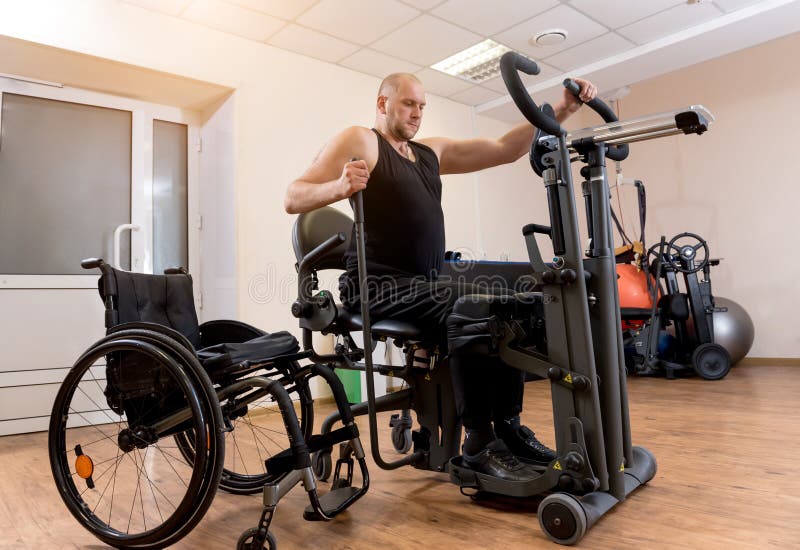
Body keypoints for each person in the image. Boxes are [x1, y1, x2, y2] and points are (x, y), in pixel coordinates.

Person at [285, 72, 597, 481]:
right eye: (407, 104)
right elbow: (293, 196)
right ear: (383, 104)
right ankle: (479, 442)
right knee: (472, 304)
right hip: (378, 288)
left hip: (423, 285)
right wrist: (340, 186)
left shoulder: (429, 153)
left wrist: (561, 110)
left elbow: (504, 149)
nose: (416, 114)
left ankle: (507, 426)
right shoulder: (362, 141)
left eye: (421, 106)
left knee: (508, 301)